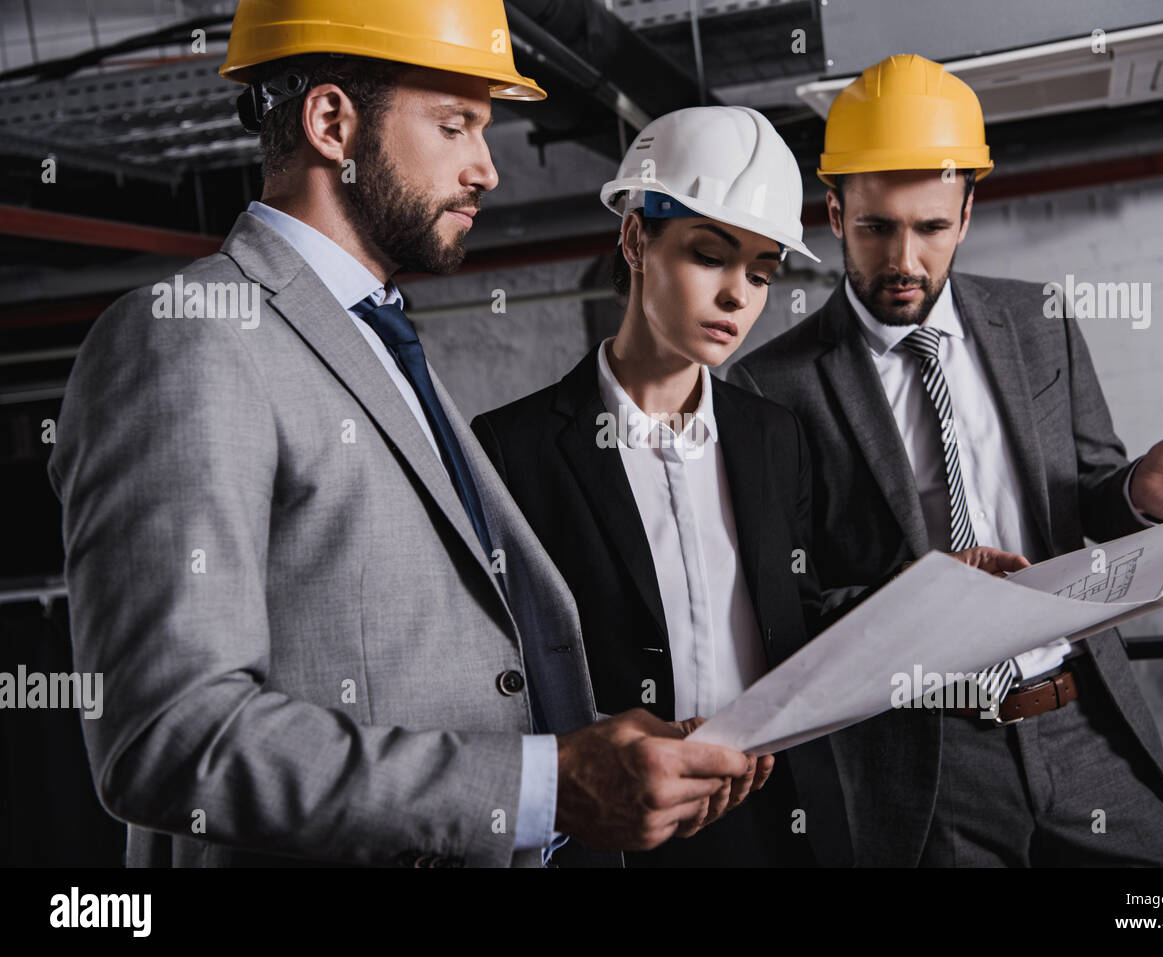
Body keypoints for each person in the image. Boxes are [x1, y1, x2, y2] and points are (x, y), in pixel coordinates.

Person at [47, 0, 755, 869]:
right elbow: (170, 736)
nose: (488, 170)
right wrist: (539, 786)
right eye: (456, 126)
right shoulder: (190, 336)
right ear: (332, 123)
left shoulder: (377, 340)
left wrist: (590, 752)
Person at [728, 54, 1163, 867]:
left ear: (967, 211)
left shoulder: (1040, 322)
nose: (904, 262)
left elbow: (1083, 503)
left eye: (930, 228)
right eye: (876, 228)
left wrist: (1138, 493)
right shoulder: (770, 384)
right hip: (926, 763)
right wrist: (932, 597)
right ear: (834, 209)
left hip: (1082, 723)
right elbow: (792, 602)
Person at [471, 105, 1026, 866]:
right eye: (710, 256)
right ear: (636, 239)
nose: (740, 296)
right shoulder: (512, 448)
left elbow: (797, 619)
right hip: (619, 825)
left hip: (774, 813)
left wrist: (925, 592)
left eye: (761, 272)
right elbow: (502, 671)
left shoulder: (772, 436)